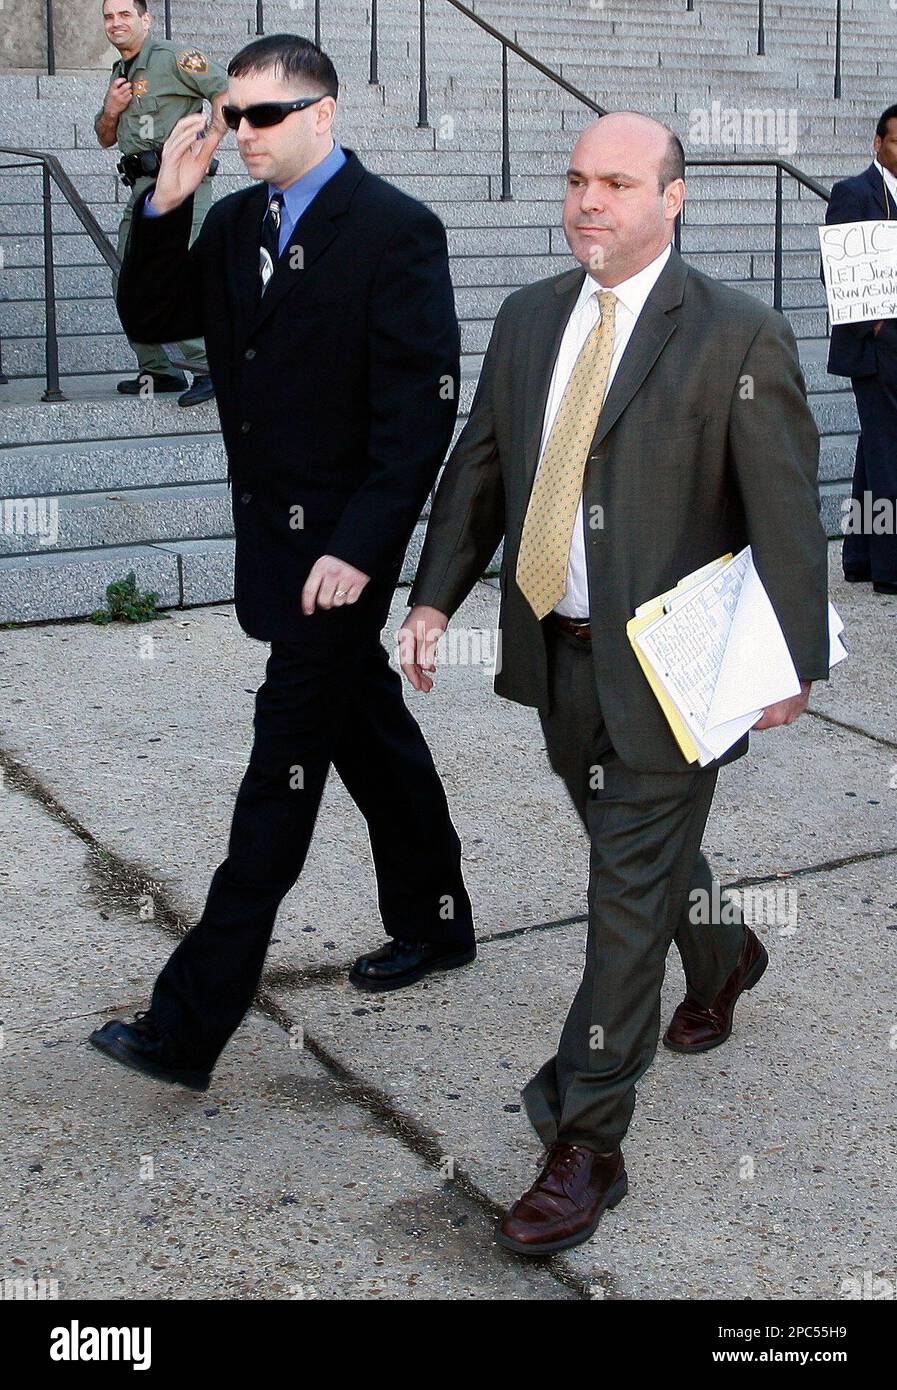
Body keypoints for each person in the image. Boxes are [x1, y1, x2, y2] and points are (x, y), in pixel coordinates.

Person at [401, 112, 830, 1255]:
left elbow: (788, 508)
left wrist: (792, 658)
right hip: (559, 654)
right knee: (639, 853)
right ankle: (725, 949)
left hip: (678, 671)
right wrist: (437, 594)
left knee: (619, 901)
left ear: (675, 198)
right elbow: (482, 464)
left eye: (621, 183)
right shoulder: (532, 315)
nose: (591, 201)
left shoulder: (737, 334)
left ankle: (585, 1140)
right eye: (579, 179)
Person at [89, 33, 476, 1093]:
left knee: (280, 778)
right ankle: (438, 920)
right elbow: (152, 318)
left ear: (324, 113)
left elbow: (417, 419)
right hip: (275, 543)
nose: (243, 134)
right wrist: (165, 203)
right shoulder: (231, 221)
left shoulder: (397, 230)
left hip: (337, 559)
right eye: (232, 117)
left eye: (265, 116)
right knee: (372, 732)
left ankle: (186, 1024)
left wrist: (361, 549)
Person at [95, 0, 227, 406]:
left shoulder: (175, 58)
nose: (116, 23)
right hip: (140, 187)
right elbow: (104, 137)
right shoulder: (121, 73)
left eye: (124, 15)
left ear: (145, 19)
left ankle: (210, 368)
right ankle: (159, 370)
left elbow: (226, 94)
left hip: (180, 184)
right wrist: (112, 110)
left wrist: (207, 147)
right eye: (109, 17)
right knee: (125, 275)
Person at [825, 104, 897, 592]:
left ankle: (858, 555)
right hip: (877, 345)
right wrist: (869, 325)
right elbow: (836, 266)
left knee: (875, 451)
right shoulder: (853, 193)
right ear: (878, 144)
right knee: (889, 453)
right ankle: (891, 569)